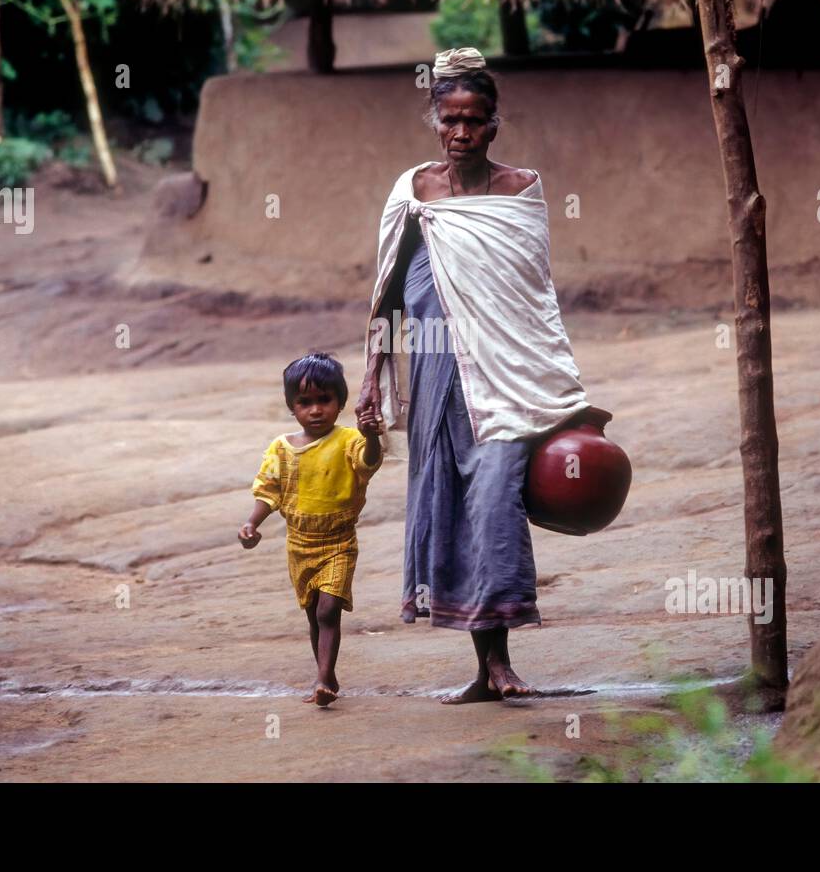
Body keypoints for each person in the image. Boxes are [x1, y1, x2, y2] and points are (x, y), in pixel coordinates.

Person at [356, 47, 591, 704]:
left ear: (494, 124)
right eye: (450, 119)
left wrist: (558, 384)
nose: (461, 133)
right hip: (437, 381)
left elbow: (533, 297)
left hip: (508, 382)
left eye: (475, 120)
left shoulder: (520, 192)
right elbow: (389, 295)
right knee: (450, 510)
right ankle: (486, 669)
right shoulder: (414, 194)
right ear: (434, 119)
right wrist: (372, 377)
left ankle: (505, 662)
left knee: (493, 504)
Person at [240, 352, 382, 706]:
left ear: (340, 402)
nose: (315, 410)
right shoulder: (281, 448)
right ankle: (327, 674)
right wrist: (252, 523)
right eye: (305, 403)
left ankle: (322, 680)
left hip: (338, 541)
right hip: (299, 544)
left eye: (324, 400)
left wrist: (373, 437)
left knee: (327, 609)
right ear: (292, 406)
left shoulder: (349, 440)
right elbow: (269, 489)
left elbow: (368, 464)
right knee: (312, 614)